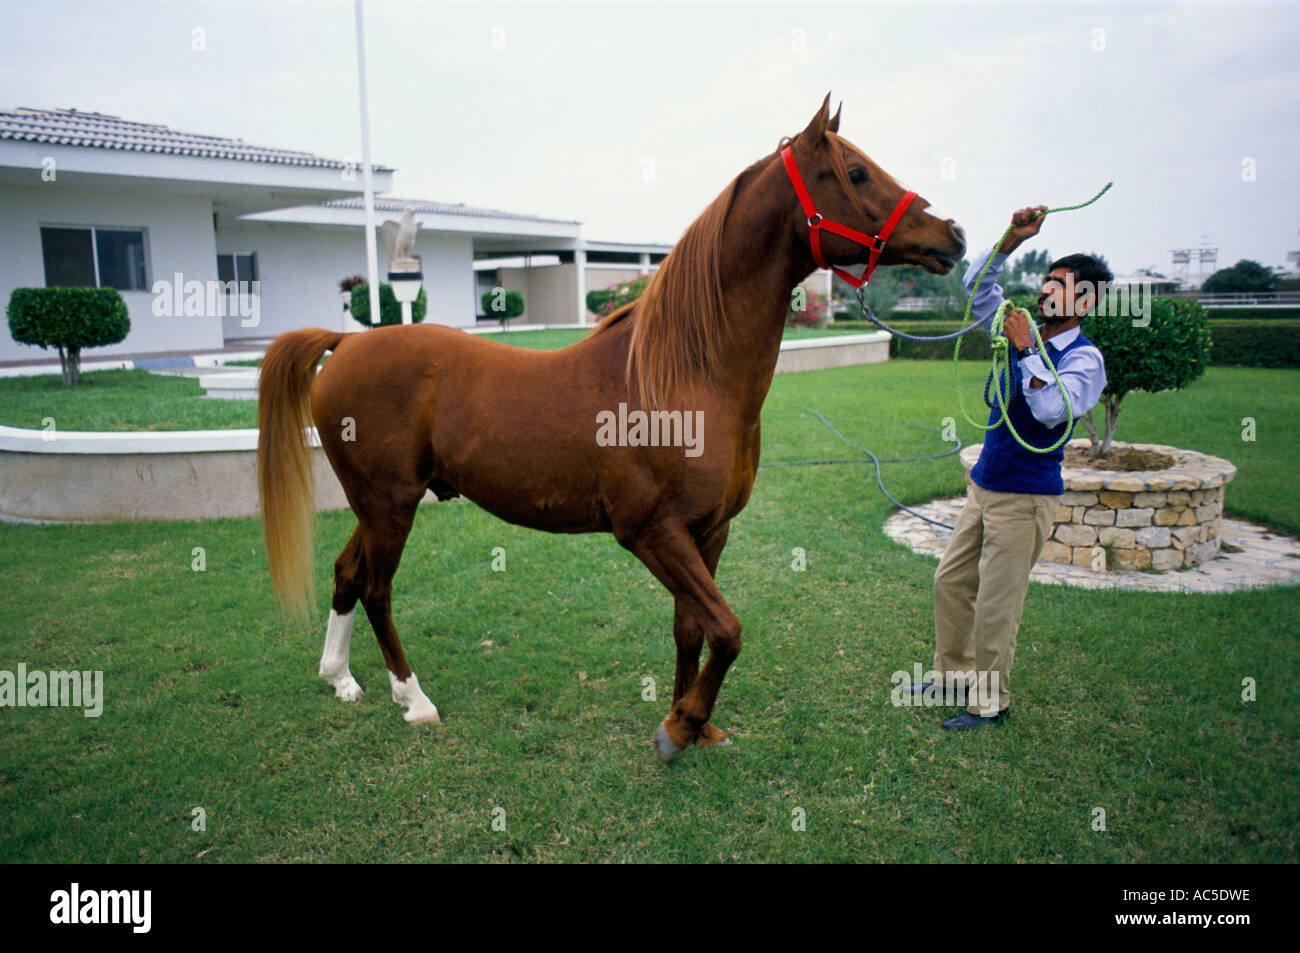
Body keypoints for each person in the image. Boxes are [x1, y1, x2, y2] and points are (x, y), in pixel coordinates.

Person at [912, 205, 1111, 730]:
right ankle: (952, 676)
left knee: (998, 606)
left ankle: (989, 703)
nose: (1046, 291)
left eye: (1059, 286)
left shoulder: (1085, 360)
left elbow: (1050, 411)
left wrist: (1025, 351)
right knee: (950, 582)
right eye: (1046, 282)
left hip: (1025, 498)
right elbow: (976, 289)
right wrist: (1010, 240)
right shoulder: (1024, 330)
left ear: (1084, 300)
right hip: (985, 487)